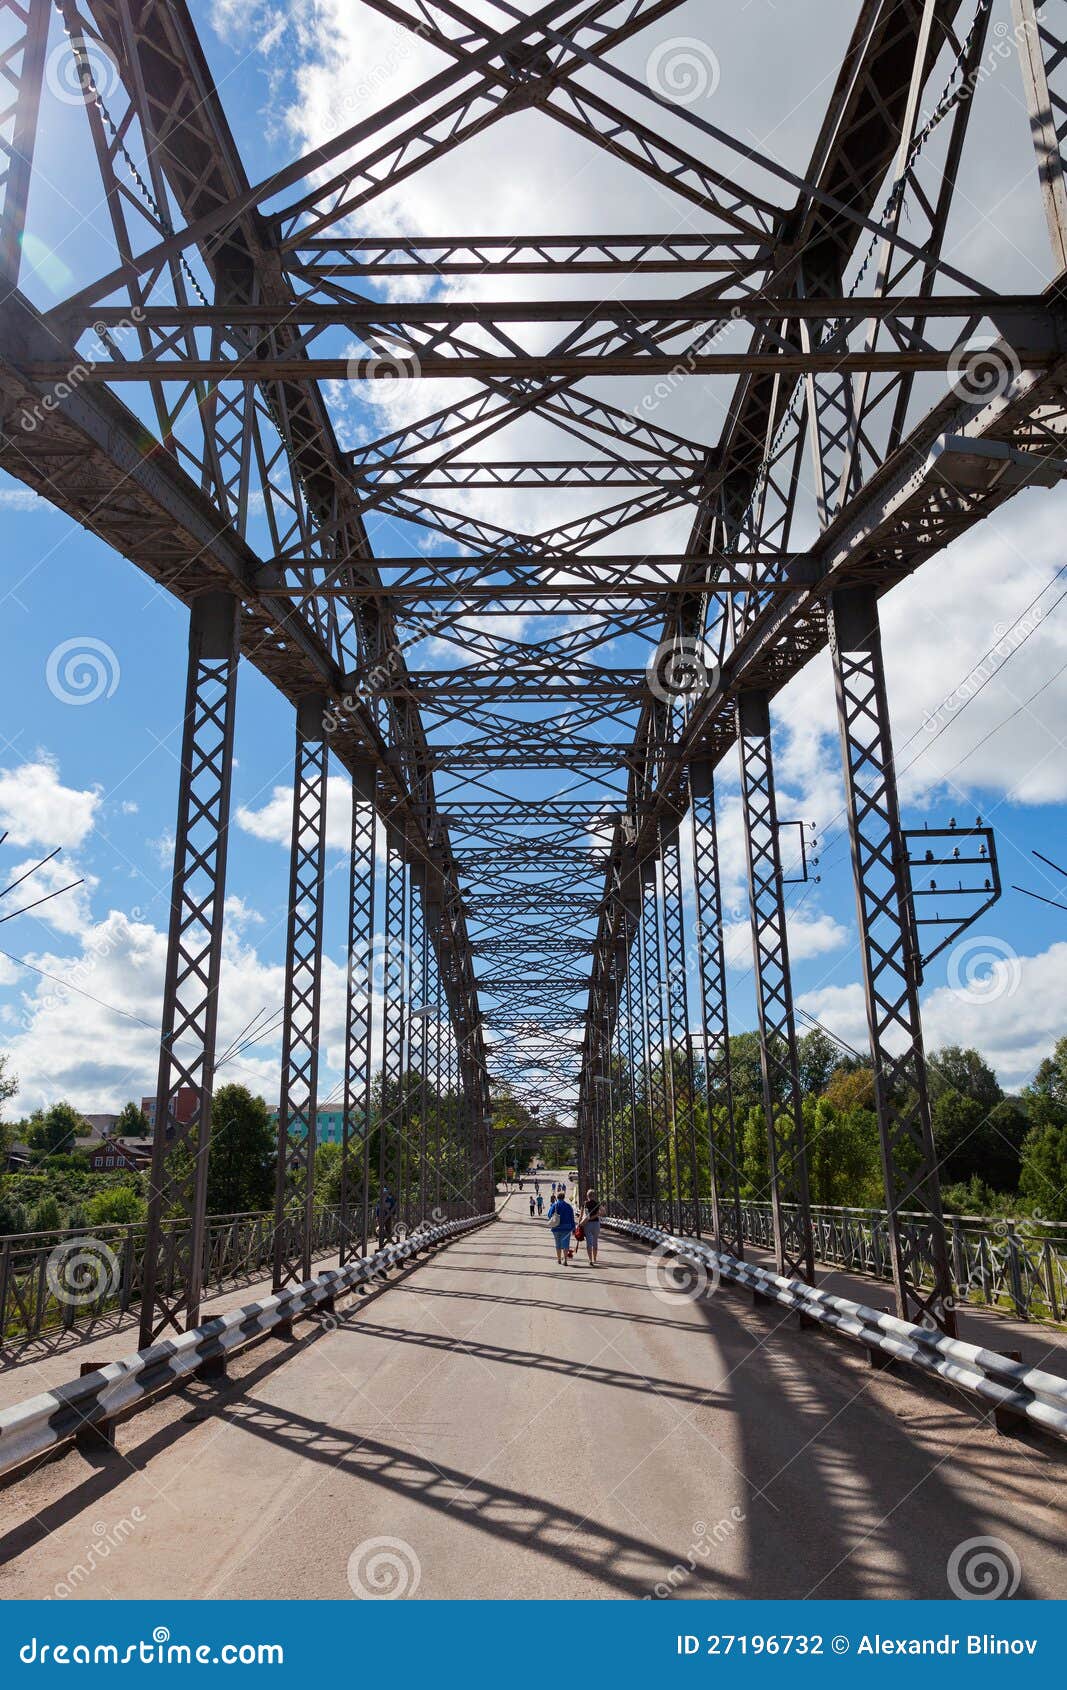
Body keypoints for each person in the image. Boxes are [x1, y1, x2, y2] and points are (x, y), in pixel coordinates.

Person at [546, 1187, 576, 1265]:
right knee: (566, 1244)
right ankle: (565, 1260)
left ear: (557, 1197)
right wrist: (573, 1229)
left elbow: (549, 1215)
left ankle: (559, 1259)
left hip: (556, 1228)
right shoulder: (568, 1206)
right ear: (564, 1197)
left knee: (558, 1244)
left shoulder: (554, 1205)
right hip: (567, 1228)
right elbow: (572, 1218)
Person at [578, 1189, 601, 1265]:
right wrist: (596, 1215)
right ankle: (595, 1259)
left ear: (587, 1196)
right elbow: (602, 1212)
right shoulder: (597, 1203)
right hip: (596, 1224)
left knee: (589, 1243)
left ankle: (590, 1260)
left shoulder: (584, 1204)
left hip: (587, 1224)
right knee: (595, 1242)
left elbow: (581, 1215)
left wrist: (579, 1224)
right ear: (594, 1196)